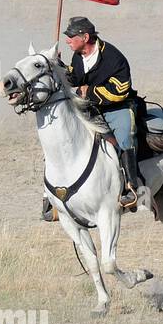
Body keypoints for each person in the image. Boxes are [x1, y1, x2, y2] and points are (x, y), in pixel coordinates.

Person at [62, 17, 147, 211]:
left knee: (125, 136)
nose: (68, 40)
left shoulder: (114, 57)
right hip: (89, 108)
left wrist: (88, 92)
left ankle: (131, 187)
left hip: (117, 107)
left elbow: (121, 89)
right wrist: (58, 65)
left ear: (85, 37)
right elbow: (75, 77)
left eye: (71, 36)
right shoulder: (78, 55)